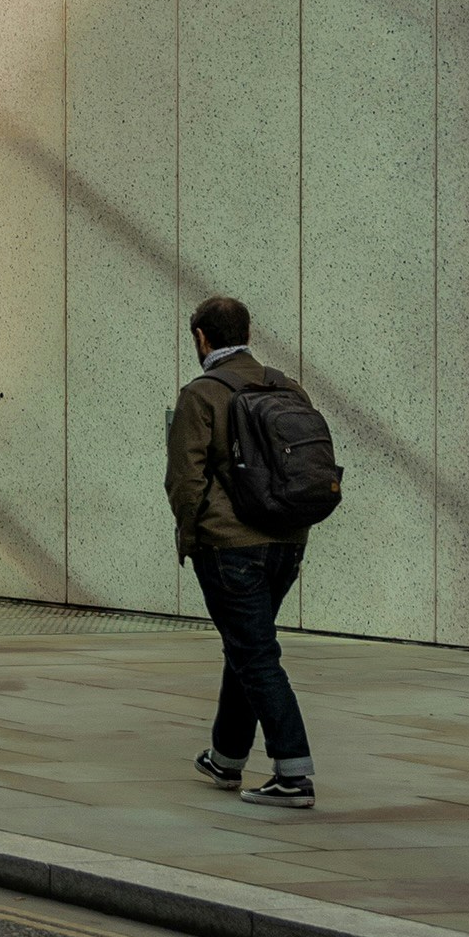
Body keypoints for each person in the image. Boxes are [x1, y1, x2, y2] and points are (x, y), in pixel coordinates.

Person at [167, 291, 316, 811]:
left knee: (255, 654)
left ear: (203, 339)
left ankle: (293, 772)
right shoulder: (286, 385)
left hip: (230, 547)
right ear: (247, 335)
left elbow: (185, 479)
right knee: (245, 644)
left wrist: (192, 537)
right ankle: (227, 756)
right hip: (288, 543)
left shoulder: (202, 394)